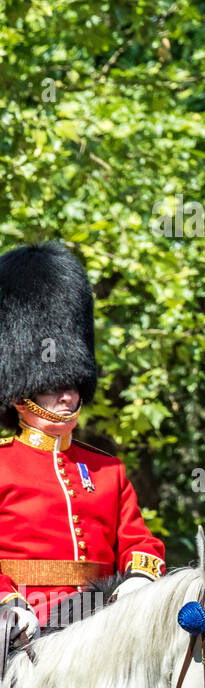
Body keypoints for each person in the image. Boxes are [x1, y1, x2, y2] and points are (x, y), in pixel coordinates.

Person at [0, 242, 165, 638]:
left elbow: (138, 542)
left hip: (103, 624)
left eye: (73, 385)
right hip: (22, 625)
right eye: (53, 386)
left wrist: (139, 579)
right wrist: (8, 604)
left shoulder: (109, 470)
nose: (68, 396)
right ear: (21, 394)